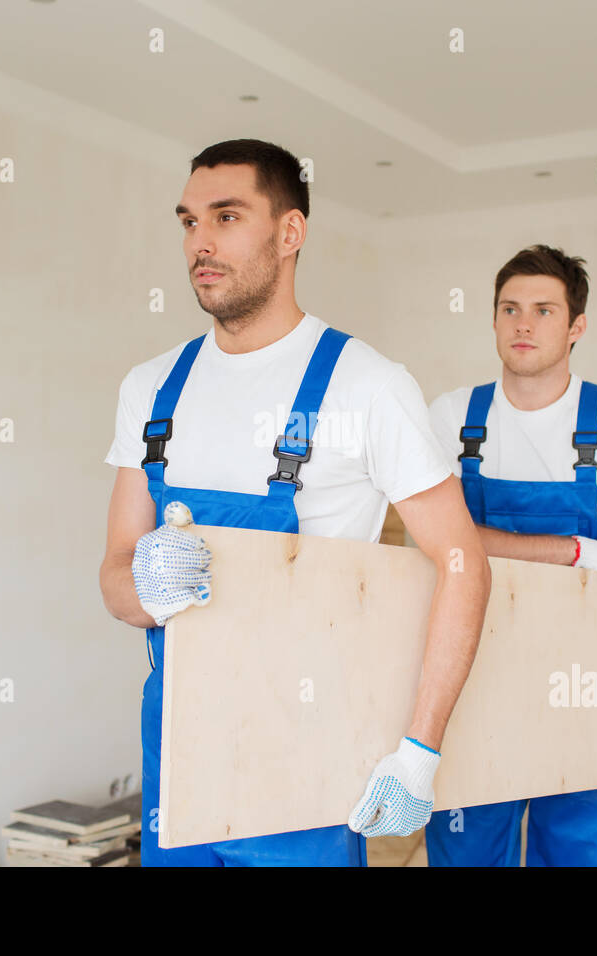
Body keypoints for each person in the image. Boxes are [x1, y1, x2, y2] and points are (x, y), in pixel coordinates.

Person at [99, 139, 491, 866]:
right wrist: (145, 588)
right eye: (188, 222)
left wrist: (420, 748)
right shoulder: (151, 389)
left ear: (290, 232)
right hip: (177, 754)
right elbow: (115, 576)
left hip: (308, 757)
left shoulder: (367, 385)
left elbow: (465, 562)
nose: (201, 243)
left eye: (226, 216)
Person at [424, 245, 597, 866]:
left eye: (544, 310)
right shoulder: (453, 419)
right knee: (464, 859)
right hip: (471, 688)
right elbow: (436, 540)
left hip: (587, 696)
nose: (523, 323)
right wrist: (578, 551)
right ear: (492, 320)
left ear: (576, 327)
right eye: (509, 308)